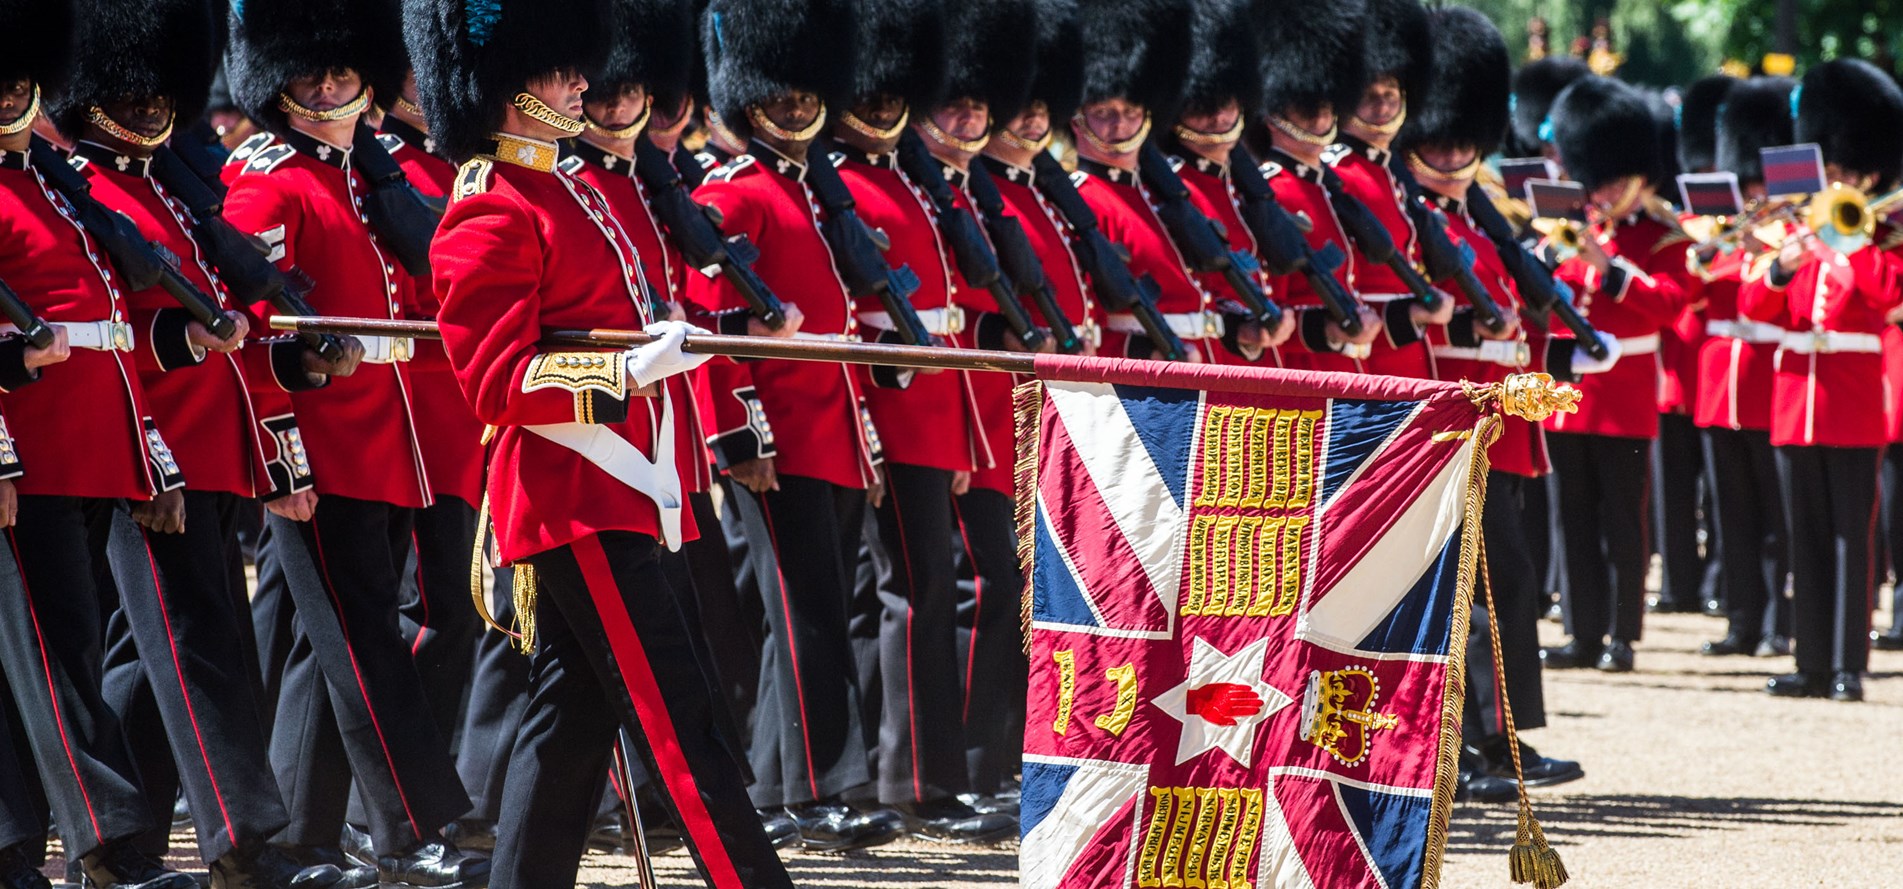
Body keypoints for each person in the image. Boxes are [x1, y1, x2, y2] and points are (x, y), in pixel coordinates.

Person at [411, 0, 798, 884]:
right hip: (575, 497)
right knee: (679, 717)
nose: (582, 80)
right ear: (509, 87)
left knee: (571, 722)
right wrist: (622, 376)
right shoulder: (491, 206)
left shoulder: (575, 188)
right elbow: (495, 380)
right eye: (560, 70)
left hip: (631, 486)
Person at [50, 2, 358, 885]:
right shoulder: (95, 190)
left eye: (161, 91)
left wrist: (295, 366)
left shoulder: (174, 189)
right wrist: (156, 446)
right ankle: (245, 843)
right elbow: (114, 336)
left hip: (216, 445)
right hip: (156, 451)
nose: (150, 106)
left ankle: (122, 844)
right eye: (132, 90)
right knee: (196, 644)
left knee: (147, 662)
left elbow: (231, 329)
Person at [223, 1, 486, 883]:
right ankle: (411, 831)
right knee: (363, 641)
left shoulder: (355, 176)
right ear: (278, 83)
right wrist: (282, 456)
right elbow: (256, 341)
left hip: (390, 439)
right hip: (323, 446)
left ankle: (307, 835)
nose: (331, 89)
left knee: (326, 646)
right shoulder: (270, 178)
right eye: (311, 78)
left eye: (341, 75)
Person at [689, 0, 909, 852]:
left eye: (800, 96)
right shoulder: (729, 194)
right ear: (748, 102)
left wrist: (869, 438)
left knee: (814, 609)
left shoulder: (810, 194)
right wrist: (740, 438)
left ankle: (785, 785)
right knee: (803, 612)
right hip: (776, 435)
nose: (792, 110)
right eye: (774, 98)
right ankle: (816, 790)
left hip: (833, 432)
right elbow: (712, 329)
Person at [0, 2, 198, 886]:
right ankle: (113, 846)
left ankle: (11, 850)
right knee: (59, 660)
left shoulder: (46, 182)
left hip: (86, 451)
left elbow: (111, 333)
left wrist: (148, 449)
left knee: (41, 664)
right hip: (25, 454)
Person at [823, 0, 1016, 844]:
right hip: (892, 404)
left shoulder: (910, 180)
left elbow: (959, 305)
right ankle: (912, 779)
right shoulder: (842, 181)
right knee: (909, 593)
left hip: (940, 405)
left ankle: (931, 773)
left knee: (928, 592)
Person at [1394, 3, 1586, 799]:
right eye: (1437, 140)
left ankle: (1503, 736)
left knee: (1505, 582)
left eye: (1462, 138)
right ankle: (1472, 744)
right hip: (1453, 428)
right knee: (1467, 589)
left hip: (1501, 428)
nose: (1452, 153)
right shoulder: (1411, 220)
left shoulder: (1478, 218)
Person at [1741, 59, 1903, 702]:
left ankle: (1847, 665)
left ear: (1867, 176)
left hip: (1853, 402)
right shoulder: (1795, 232)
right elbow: (1756, 306)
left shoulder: (1881, 241)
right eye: (1830, 170)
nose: (1835, 180)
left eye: (1845, 172)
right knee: (1801, 533)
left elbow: (1887, 295)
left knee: (1848, 538)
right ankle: (1810, 661)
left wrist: (1851, 242)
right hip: (1793, 403)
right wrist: (1782, 264)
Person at [1536, 75, 1694, 675]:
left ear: (1643, 176)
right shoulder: (1579, 229)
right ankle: (1582, 629)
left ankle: (1622, 634)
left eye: (1614, 181)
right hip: (1571, 391)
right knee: (1572, 517)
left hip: (1626, 392)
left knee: (1623, 522)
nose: (1604, 193)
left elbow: (1669, 303)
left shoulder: (1664, 236)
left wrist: (1608, 268)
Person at [375, 69, 488, 758]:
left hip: (471, 421)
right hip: (419, 423)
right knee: (433, 611)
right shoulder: (382, 165)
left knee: (463, 613)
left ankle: (429, 790)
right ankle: (393, 797)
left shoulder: (466, 166)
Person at [1694, 76, 1796, 659]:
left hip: (1767, 386)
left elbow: (1766, 299)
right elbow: (1696, 285)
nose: (1756, 191)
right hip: (1720, 391)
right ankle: (1741, 619)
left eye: (1762, 181)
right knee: (1730, 514)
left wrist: (1759, 250)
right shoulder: (1725, 234)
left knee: (1776, 519)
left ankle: (1781, 622)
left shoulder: (1789, 239)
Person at [1154, 0, 1294, 365]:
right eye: (1203, 106)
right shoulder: (1171, 189)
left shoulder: (1241, 186)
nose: (1219, 116)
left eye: (1228, 104)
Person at [1248, 0, 1386, 370]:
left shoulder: (1331, 186)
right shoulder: (1272, 191)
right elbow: (1272, 303)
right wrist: (1328, 330)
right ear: (1274, 110)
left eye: (1328, 105)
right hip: (1304, 376)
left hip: (1352, 376)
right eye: (1306, 106)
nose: (1322, 115)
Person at [1321, 0, 1454, 378]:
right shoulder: (1339, 171)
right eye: (1369, 95)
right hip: (1367, 359)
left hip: (1406, 357)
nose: (1382, 105)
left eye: (1391, 93)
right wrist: (1404, 315)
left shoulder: (1390, 171)